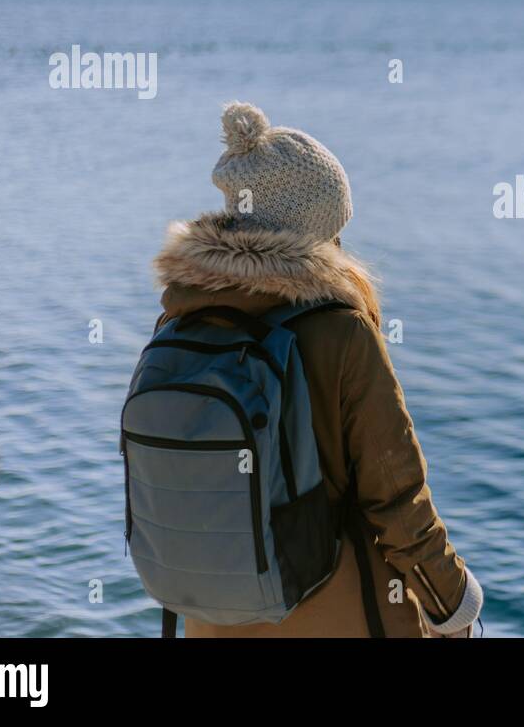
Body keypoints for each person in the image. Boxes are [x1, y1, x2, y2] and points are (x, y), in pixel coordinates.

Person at [150, 101, 481, 637]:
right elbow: (397, 502)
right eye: (336, 230)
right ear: (311, 229)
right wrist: (455, 605)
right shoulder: (340, 332)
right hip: (330, 610)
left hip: (210, 616)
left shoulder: (180, 317)